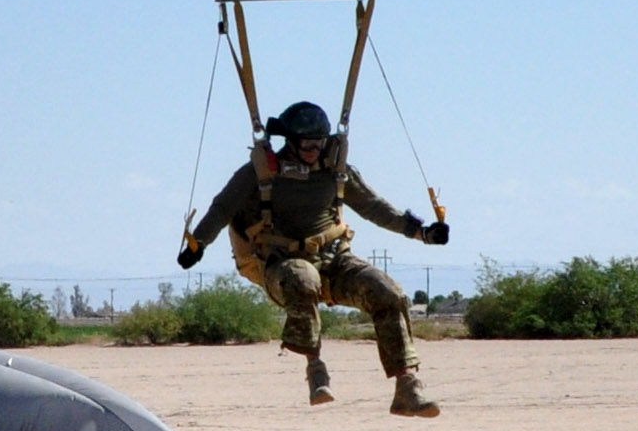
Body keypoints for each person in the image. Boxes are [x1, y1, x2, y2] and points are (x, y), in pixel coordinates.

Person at [179, 101, 450, 414]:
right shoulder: (260, 172)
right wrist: (198, 244)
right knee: (303, 279)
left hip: (334, 259)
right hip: (280, 264)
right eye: (307, 144)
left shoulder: (336, 172)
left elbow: (375, 207)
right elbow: (221, 209)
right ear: (290, 141)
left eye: (319, 143)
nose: (313, 150)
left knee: (387, 292)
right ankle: (316, 370)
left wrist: (422, 232)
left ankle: (407, 387)